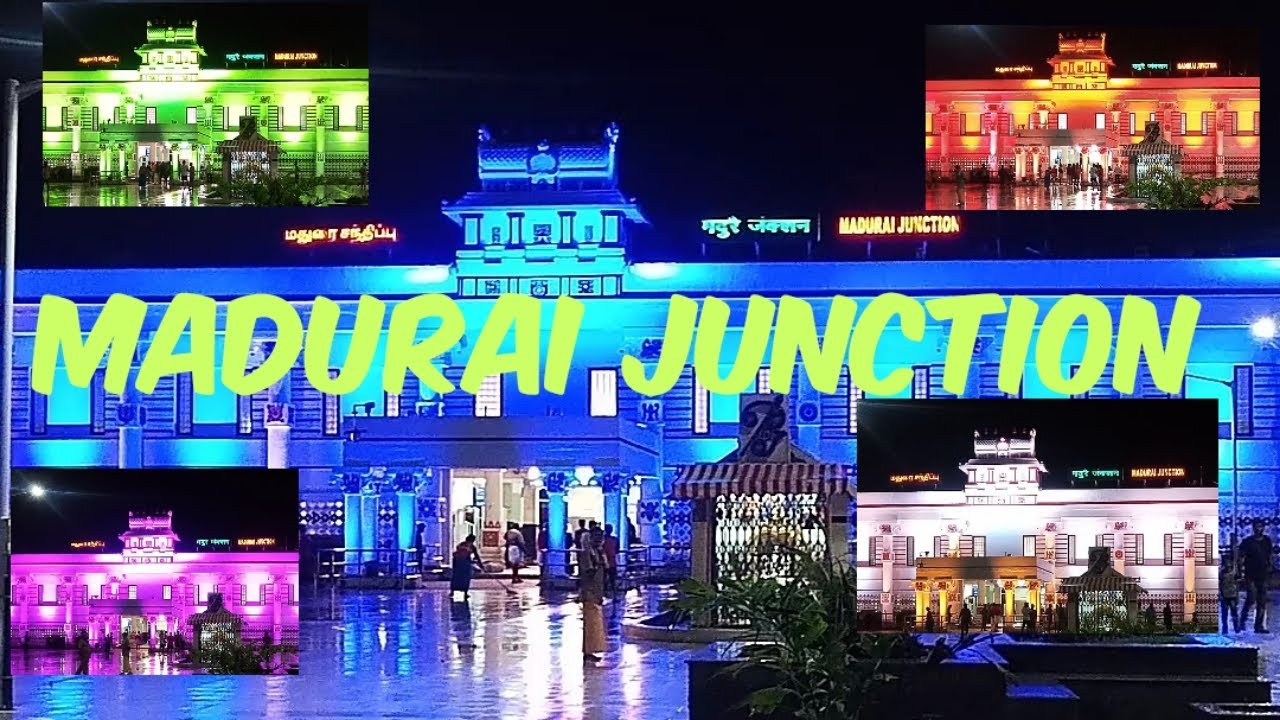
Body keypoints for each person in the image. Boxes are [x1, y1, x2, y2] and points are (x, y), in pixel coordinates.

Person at [1240, 520, 1274, 633]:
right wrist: (1240, 570)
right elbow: (1241, 556)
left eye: (1261, 526)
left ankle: (1258, 626)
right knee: (1251, 598)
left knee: (1262, 601)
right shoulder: (1248, 542)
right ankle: (1242, 622)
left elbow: (1269, 555)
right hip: (1250, 574)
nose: (1259, 529)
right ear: (1253, 528)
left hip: (1263, 574)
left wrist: (1270, 566)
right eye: (1256, 527)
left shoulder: (1267, 541)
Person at [579, 528, 608, 663]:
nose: (599, 540)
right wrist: (597, 564)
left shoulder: (598, 552)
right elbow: (588, 572)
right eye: (596, 537)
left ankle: (592, 649)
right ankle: (587, 651)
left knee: (595, 623)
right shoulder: (587, 553)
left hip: (597, 590)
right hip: (589, 591)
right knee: (590, 623)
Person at [450, 535, 484, 600]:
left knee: (456, 578)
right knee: (465, 578)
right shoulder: (471, 546)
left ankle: (453, 592)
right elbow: (476, 556)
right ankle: (464, 592)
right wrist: (481, 565)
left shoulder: (461, 544)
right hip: (464, 563)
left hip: (458, 563)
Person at [1221, 555, 1241, 633]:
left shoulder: (1234, 572)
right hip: (1225, 596)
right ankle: (1225, 629)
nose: (1227, 565)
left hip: (1232, 595)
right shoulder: (1221, 573)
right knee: (1225, 614)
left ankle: (1236, 629)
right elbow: (1220, 583)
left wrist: (1237, 595)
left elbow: (1237, 584)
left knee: (1234, 613)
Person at [602, 524, 620, 595]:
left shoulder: (602, 539)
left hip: (603, 561)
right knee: (613, 579)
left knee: (603, 578)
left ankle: (604, 593)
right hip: (612, 561)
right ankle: (614, 593)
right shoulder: (615, 539)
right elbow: (617, 550)